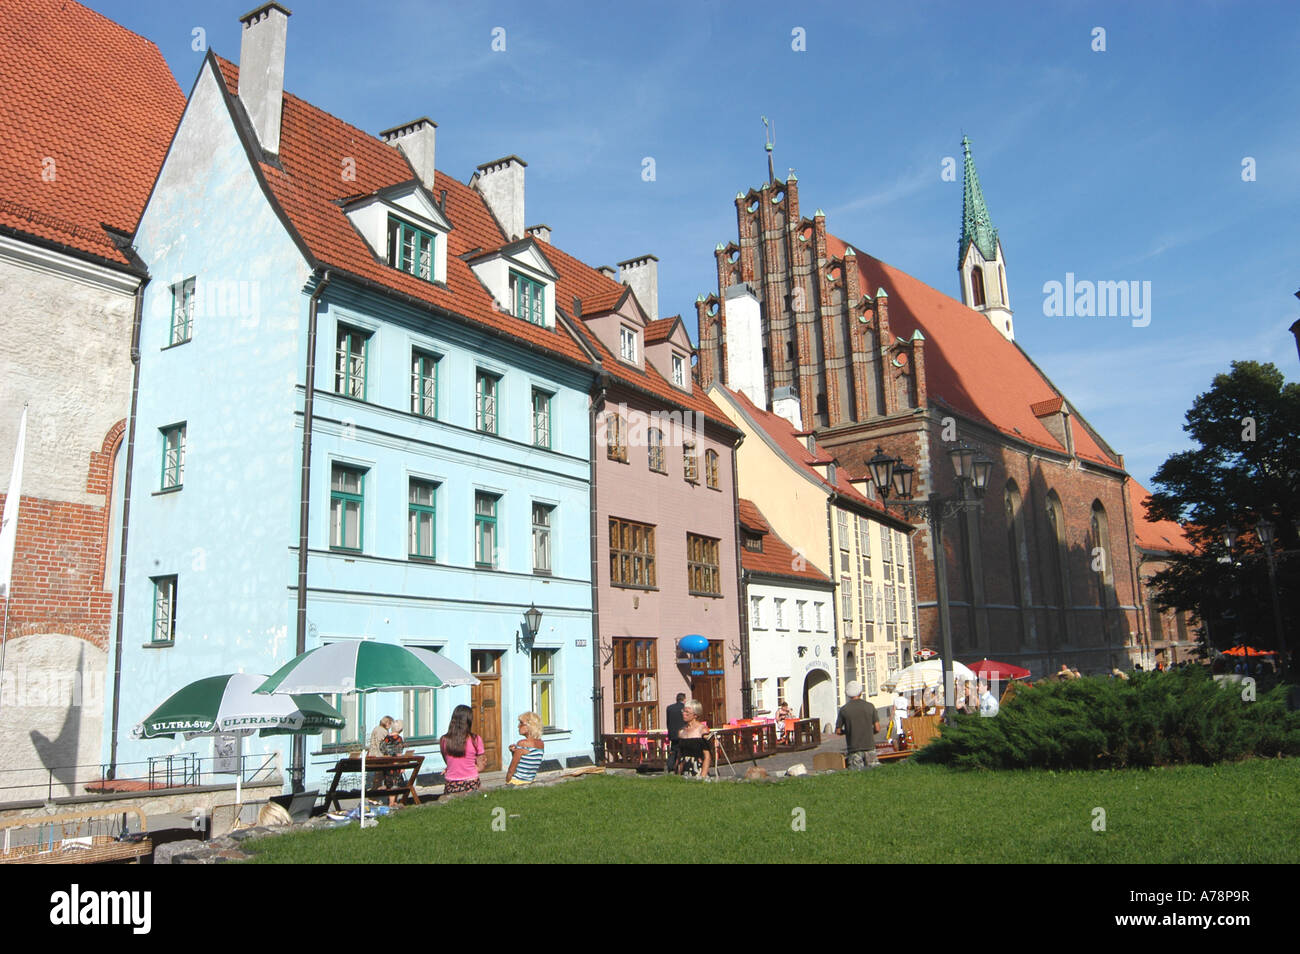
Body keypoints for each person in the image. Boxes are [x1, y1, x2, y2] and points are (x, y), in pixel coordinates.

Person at [440, 704, 486, 796]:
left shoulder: (444, 740)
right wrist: (470, 768)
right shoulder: (475, 740)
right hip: (471, 782)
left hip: (451, 784)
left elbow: (448, 762)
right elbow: (481, 766)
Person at [835, 680, 879, 770]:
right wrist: (870, 731)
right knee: (874, 773)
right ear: (861, 692)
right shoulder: (870, 706)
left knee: (857, 775)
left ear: (847, 694)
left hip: (854, 748)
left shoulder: (844, 710)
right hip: (869, 746)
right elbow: (877, 728)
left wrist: (848, 731)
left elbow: (838, 731)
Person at [676, 700, 714, 779]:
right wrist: (677, 773)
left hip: (698, 769)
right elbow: (679, 754)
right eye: (683, 711)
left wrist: (702, 776)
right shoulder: (681, 731)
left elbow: (707, 756)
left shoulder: (702, 730)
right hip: (684, 769)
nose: (684, 714)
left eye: (687, 712)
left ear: (695, 715)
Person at [505, 712, 545, 785]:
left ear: (530, 726)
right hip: (530, 780)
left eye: (521, 723)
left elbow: (512, 768)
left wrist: (508, 781)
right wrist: (515, 752)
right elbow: (527, 759)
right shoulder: (541, 744)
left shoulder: (522, 743)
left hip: (517, 781)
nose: (518, 726)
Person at [380, 719, 406, 807]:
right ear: (401, 729)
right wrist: (402, 765)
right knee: (395, 783)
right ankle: (392, 802)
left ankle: (392, 801)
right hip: (395, 763)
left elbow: (382, 748)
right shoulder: (398, 739)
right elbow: (399, 753)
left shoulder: (386, 738)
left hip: (386, 762)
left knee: (389, 782)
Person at [665, 693, 687, 774]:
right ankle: (682, 768)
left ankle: (670, 767)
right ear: (684, 699)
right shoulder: (685, 708)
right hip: (683, 734)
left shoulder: (670, 708)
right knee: (684, 751)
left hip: (673, 734)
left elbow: (668, 722)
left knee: (673, 751)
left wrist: (670, 733)